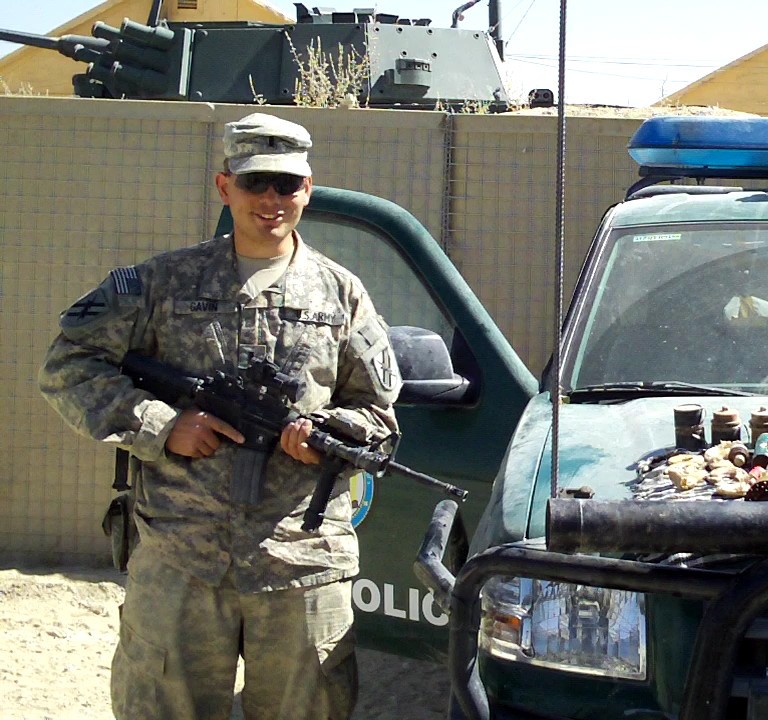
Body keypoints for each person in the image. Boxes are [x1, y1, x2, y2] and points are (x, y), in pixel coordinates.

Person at [38, 112, 402, 720]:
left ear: (306, 189)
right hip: (180, 559)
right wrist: (160, 425)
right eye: (255, 182)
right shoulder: (159, 283)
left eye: (286, 186)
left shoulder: (343, 296)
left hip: (300, 565)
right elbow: (68, 366)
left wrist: (329, 435)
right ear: (224, 186)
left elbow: (381, 418)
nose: (270, 200)